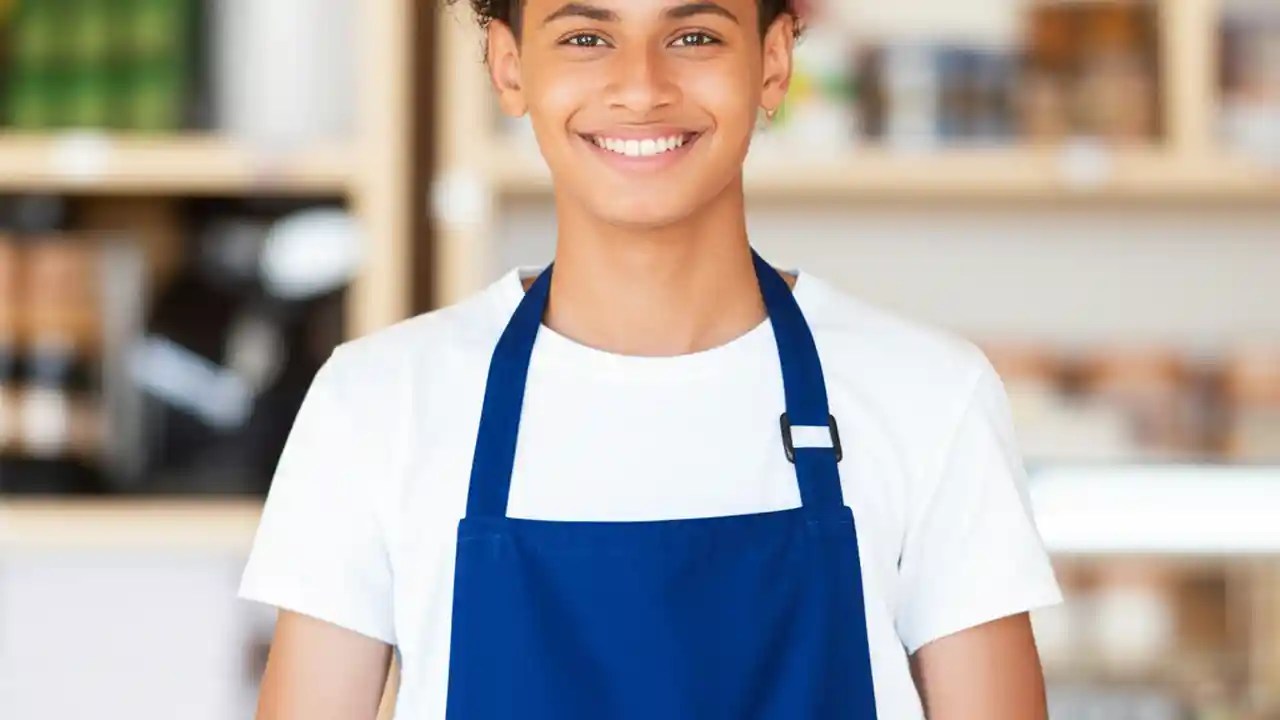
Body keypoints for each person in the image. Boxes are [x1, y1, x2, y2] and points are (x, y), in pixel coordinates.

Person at [239, 1, 1064, 718]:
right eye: (586, 39)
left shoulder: (929, 397)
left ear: (772, 63)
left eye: (696, 35)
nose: (640, 85)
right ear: (508, 64)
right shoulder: (376, 403)